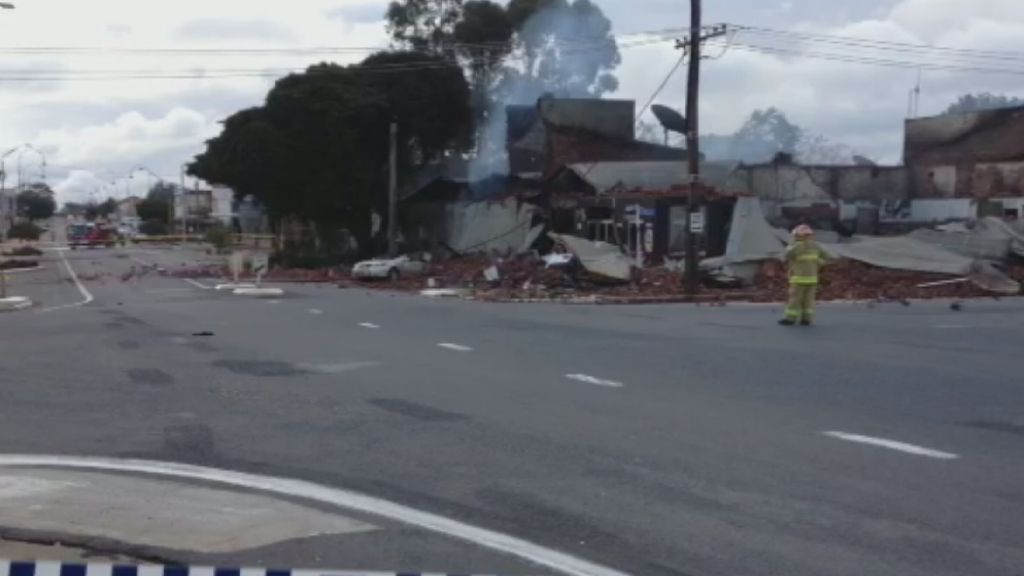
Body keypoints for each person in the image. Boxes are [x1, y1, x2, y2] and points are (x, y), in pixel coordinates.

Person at [780, 224, 828, 326]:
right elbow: (828, 257)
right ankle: (806, 319)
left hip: (799, 279)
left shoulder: (797, 246)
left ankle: (790, 319)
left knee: (795, 299)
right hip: (813, 279)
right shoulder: (815, 246)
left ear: (798, 235)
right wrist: (818, 263)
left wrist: (791, 245)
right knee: (808, 300)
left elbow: (786, 256)